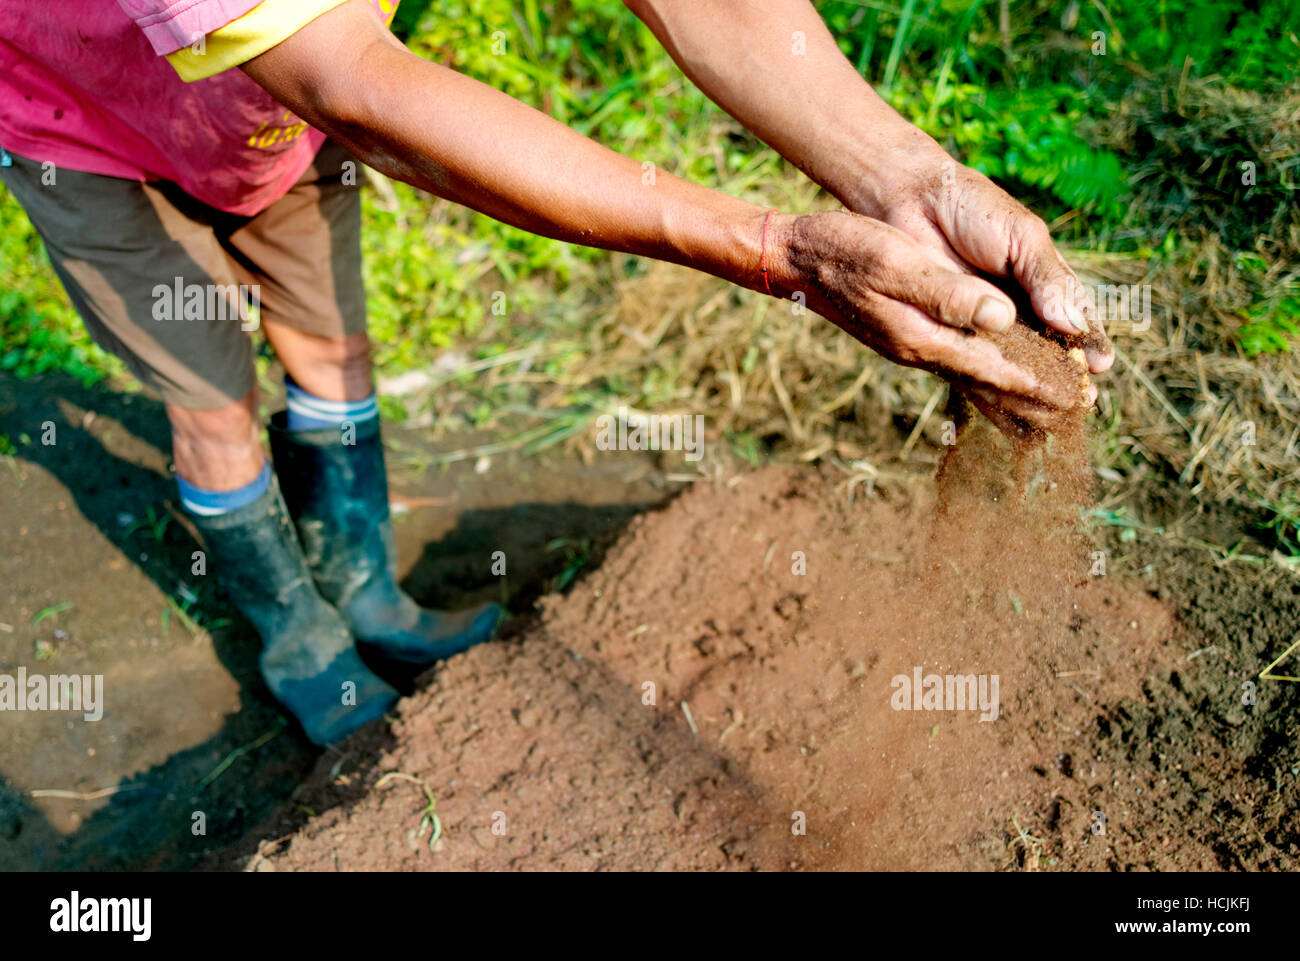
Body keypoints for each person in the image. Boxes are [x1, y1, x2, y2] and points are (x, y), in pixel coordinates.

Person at [0, 0, 1112, 745]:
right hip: (85, 124)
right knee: (212, 406)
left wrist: (904, 174)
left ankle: (368, 597)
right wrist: (781, 248)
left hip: (277, 119)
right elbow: (352, 80)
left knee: (332, 345)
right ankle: (301, 644)